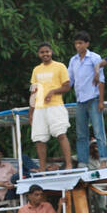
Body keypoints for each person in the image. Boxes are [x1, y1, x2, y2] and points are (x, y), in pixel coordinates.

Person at [29, 43, 74, 171]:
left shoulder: (59, 66)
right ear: (39, 54)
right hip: (39, 108)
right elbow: (33, 91)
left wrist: (53, 91)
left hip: (55, 106)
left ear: (51, 52)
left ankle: (69, 164)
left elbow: (67, 86)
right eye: (42, 52)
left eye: (47, 51)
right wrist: (31, 112)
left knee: (61, 134)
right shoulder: (36, 69)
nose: (45, 54)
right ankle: (42, 168)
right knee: (39, 138)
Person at [69, 32, 107, 169]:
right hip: (80, 100)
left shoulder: (94, 57)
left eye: (81, 43)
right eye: (76, 43)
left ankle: (103, 160)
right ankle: (83, 161)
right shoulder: (73, 60)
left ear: (87, 44)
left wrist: (101, 101)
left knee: (99, 131)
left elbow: (101, 80)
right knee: (81, 133)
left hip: (94, 98)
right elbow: (70, 81)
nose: (78, 46)